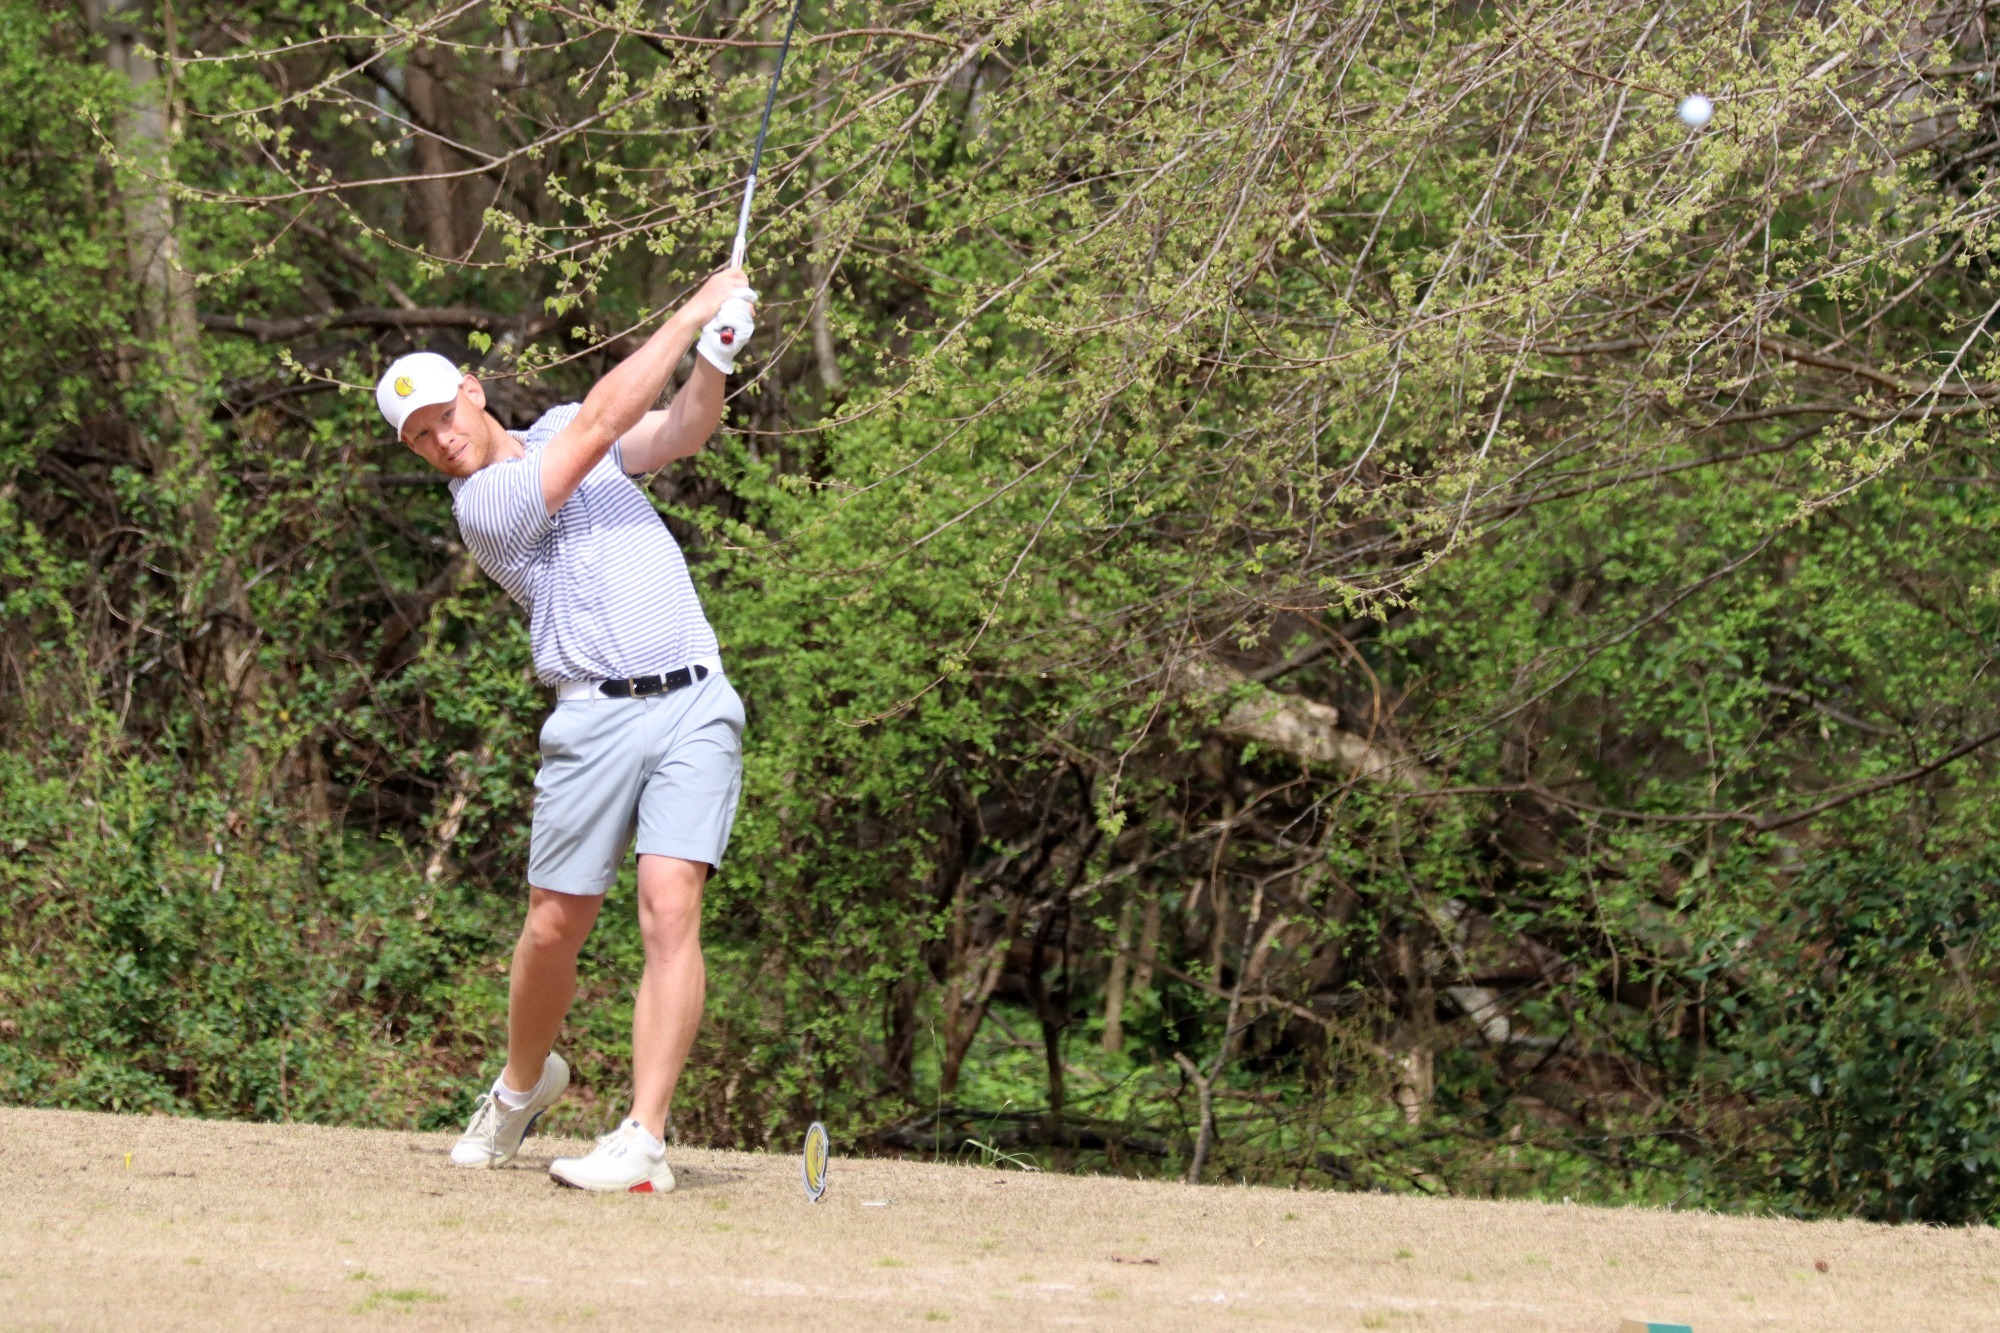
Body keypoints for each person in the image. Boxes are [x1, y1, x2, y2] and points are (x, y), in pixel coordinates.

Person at [373, 267, 755, 1194]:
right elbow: (601, 423)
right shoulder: (485, 507)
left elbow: (679, 429)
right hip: (592, 717)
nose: (440, 442)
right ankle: (520, 1085)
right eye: (418, 440)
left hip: (696, 695)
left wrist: (715, 353)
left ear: (472, 387)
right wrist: (690, 311)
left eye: (441, 417)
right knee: (554, 926)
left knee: (671, 906)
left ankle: (643, 1139)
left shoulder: (549, 434)